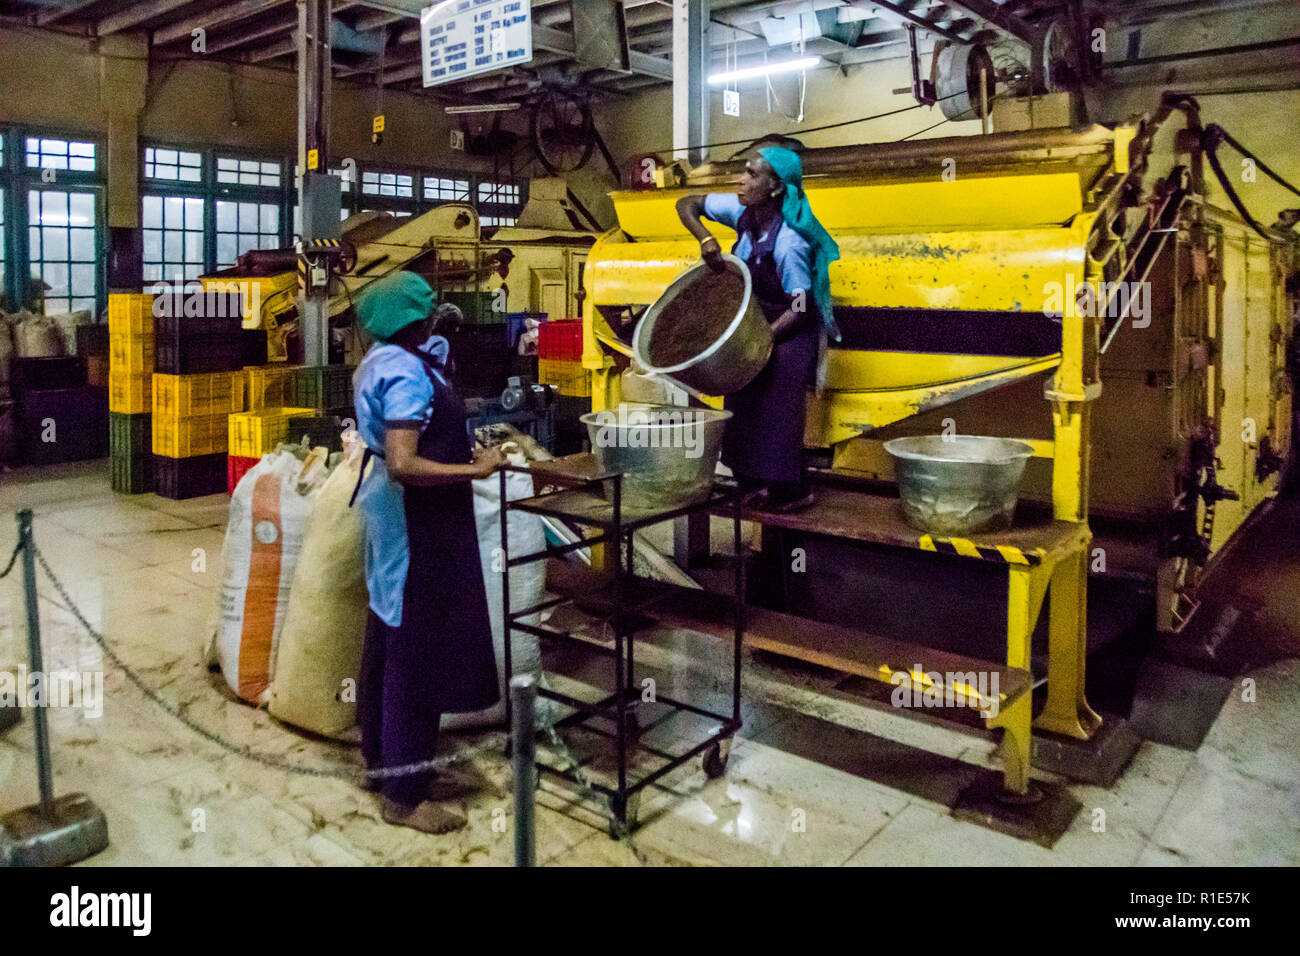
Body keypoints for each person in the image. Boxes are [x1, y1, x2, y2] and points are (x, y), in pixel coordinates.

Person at [349, 271, 506, 834]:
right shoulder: (403, 374)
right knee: (413, 649)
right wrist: (477, 468)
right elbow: (404, 463)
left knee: (388, 639)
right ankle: (404, 797)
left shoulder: (396, 360)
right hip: (414, 521)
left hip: (402, 520)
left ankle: (388, 765)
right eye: (434, 311)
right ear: (419, 318)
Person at [675, 146, 840, 513]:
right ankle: (750, 482)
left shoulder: (789, 243)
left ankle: (792, 491)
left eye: (752, 174)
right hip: (756, 316)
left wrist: (759, 340)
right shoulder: (741, 212)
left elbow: (800, 305)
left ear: (776, 188)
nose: (741, 179)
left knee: (777, 410)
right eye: (743, 171)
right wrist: (704, 237)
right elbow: (687, 203)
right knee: (742, 399)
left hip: (791, 326)